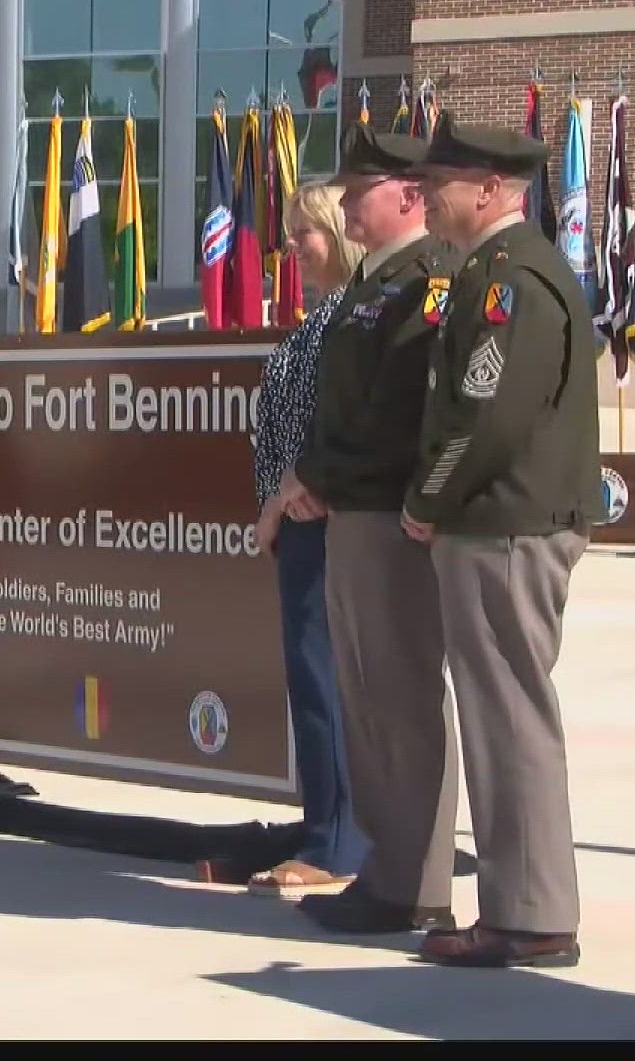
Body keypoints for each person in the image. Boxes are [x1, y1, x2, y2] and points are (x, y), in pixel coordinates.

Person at [403, 115, 601, 968]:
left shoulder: (510, 281)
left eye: (440, 182)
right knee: (503, 716)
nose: (427, 196)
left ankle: (529, 916)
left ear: (489, 189)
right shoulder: (491, 271)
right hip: (496, 524)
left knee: (509, 718)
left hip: (503, 526)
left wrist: (428, 498)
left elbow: (486, 415)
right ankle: (523, 906)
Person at [288, 125, 464, 933]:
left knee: (400, 701)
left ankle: (416, 883)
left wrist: (326, 476)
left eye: (360, 193)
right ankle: (386, 870)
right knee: (366, 701)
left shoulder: (429, 281)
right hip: (348, 511)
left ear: (405, 197)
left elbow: (404, 409)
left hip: (388, 513)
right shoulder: (370, 286)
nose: (350, 205)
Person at [245, 182, 368, 899]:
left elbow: (333, 426)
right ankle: (322, 826)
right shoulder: (315, 320)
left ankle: (335, 842)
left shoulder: (354, 320)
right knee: (309, 682)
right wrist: (270, 504)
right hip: (290, 528)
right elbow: (277, 428)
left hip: (324, 525)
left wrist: (288, 497)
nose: (293, 247)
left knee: (327, 684)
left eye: (305, 233)